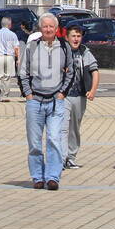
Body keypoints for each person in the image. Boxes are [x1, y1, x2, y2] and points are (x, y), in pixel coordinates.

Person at [18, 14, 74, 190]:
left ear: (56, 29)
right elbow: (22, 72)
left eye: (51, 27)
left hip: (56, 101)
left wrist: (62, 93)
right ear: (40, 28)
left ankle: (52, 177)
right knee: (34, 142)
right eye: (45, 26)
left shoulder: (64, 47)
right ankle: (37, 177)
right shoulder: (32, 46)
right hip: (35, 100)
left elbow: (71, 72)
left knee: (54, 139)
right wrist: (28, 94)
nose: (48, 29)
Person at [62, 25, 99, 169]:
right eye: (73, 36)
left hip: (80, 95)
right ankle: (62, 158)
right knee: (63, 127)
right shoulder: (61, 51)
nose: (76, 39)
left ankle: (71, 157)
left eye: (78, 36)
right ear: (67, 37)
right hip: (63, 95)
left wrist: (93, 90)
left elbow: (95, 71)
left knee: (74, 128)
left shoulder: (85, 52)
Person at [0, 17, 21, 103]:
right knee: (7, 76)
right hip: (9, 57)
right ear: (9, 25)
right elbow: (16, 48)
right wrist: (18, 59)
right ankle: (5, 96)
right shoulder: (13, 34)